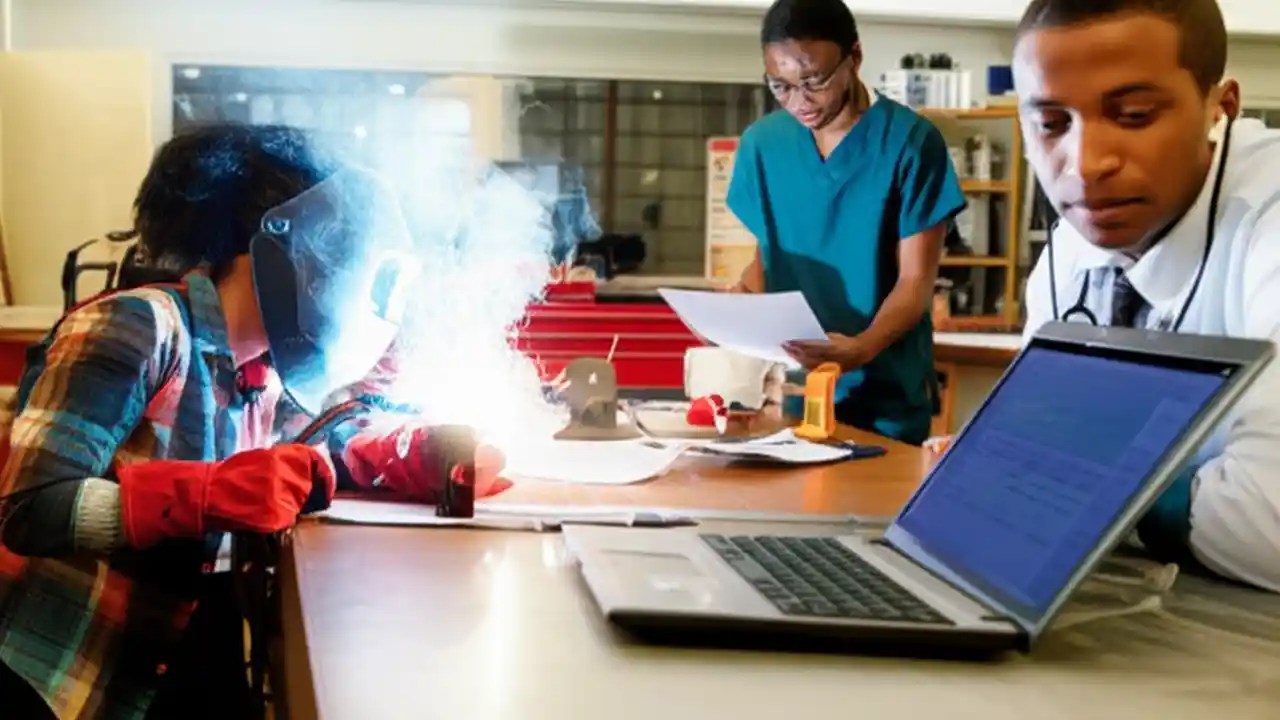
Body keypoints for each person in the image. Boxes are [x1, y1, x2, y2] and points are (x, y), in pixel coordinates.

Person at [0, 124, 508, 719]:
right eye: (331, 257)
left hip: (185, 643)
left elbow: (313, 446)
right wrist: (203, 495)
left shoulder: (263, 370)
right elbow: (28, 509)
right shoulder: (140, 326)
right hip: (68, 678)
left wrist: (406, 454)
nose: (338, 279)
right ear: (277, 249)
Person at [1014, 0, 1279, 592]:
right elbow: (1019, 447)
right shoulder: (1073, 244)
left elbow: (1272, 525)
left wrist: (1083, 485)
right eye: (1051, 124)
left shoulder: (1269, 219)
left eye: (1134, 115)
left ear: (1220, 108)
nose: (1086, 167)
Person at [726, 0, 966, 445]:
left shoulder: (911, 143)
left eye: (814, 81)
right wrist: (737, 308)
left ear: (854, 56)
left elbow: (915, 281)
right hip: (794, 396)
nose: (799, 102)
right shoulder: (763, 145)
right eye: (780, 86)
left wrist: (862, 347)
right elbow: (771, 258)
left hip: (884, 398)